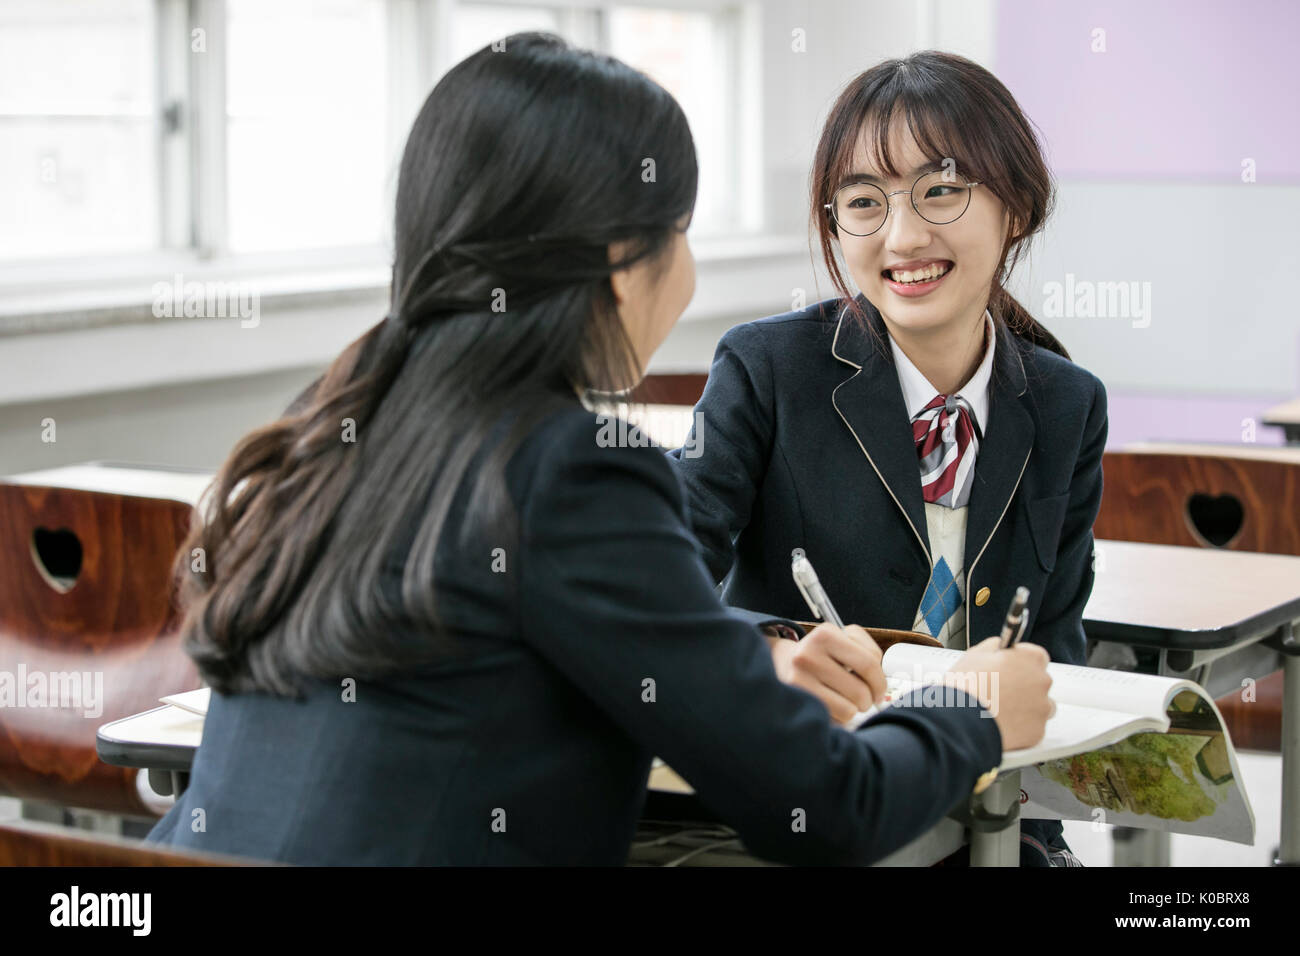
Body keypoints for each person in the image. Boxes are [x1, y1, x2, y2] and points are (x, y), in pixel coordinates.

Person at [147, 35, 1053, 866]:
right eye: (682, 232)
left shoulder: (338, 421)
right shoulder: (574, 468)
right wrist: (968, 712)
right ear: (625, 260)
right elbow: (825, 803)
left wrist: (733, 660)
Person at [667, 51, 1105, 867]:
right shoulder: (766, 371)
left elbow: (1056, 646)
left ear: (1017, 205)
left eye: (940, 190)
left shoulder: (1066, 405)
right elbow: (659, 590)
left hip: (983, 819)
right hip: (812, 813)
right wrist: (772, 652)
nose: (903, 237)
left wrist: (1028, 841)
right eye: (863, 202)